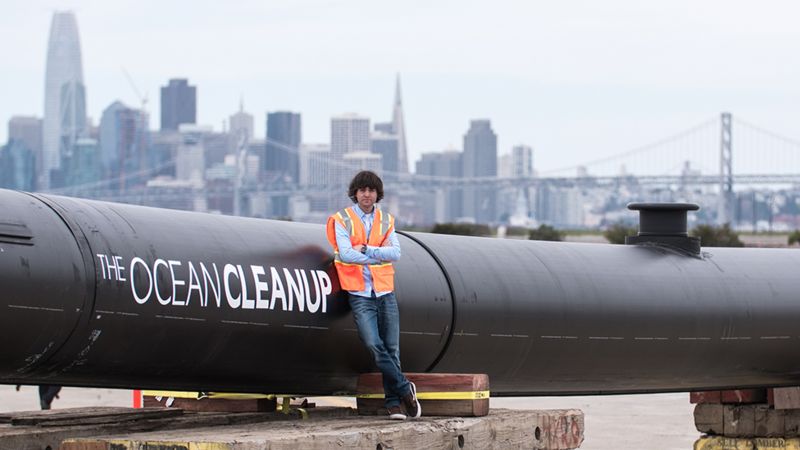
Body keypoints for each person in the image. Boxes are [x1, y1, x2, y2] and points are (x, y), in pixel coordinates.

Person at [326, 170, 421, 420]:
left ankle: (393, 404)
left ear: (378, 194)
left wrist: (367, 250)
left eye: (371, 190)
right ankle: (404, 388)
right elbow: (346, 254)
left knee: (392, 348)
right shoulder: (341, 219)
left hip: (385, 291)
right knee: (373, 344)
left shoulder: (386, 220)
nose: (366, 195)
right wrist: (378, 255)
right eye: (362, 190)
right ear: (355, 193)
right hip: (359, 293)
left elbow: (396, 254)